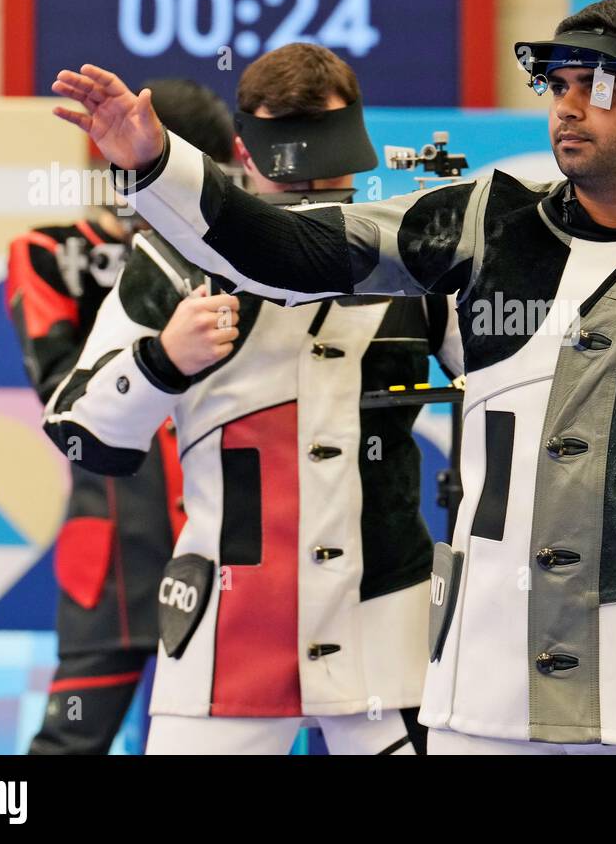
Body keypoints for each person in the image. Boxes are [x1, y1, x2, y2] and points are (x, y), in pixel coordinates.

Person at [50, 0, 616, 755]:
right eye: (557, 84)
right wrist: (156, 163)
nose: (568, 106)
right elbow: (289, 253)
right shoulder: (476, 221)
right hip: (472, 685)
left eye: (601, 87)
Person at [44, 43, 459, 754]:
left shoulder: (414, 253)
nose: (310, 178)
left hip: (387, 626)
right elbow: (78, 427)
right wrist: (161, 361)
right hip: (224, 634)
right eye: (287, 151)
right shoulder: (171, 258)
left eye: (327, 150)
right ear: (244, 147)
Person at [5, 79, 233, 753]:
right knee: (71, 743)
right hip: (112, 561)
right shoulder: (50, 253)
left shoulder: (246, 256)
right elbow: (61, 397)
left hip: (227, 548)